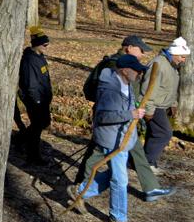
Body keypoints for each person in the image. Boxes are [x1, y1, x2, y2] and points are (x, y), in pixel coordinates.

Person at [75, 36, 175, 201]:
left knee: (135, 150)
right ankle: (81, 188)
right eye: (140, 50)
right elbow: (105, 94)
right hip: (111, 119)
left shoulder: (127, 64)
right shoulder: (115, 65)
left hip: (127, 117)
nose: (142, 54)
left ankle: (151, 188)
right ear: (129, 47)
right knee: (97, 153)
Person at [67, 54, 147, 222]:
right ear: (125, 70)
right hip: (112, 139)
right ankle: (118, 218)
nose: (139, 73)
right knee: (120, 179)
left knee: (115, 174)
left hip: (123, 138)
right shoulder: (110, 89)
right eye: (136, 70)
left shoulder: (127, 85)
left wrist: (137, 112)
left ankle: (79, 191)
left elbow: (128, 108)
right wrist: (130, 115)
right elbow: (102, 117)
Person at [142, 36, 190, 174]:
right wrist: (149, 110)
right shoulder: (158, 64)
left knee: (154, 133)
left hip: (163, 106)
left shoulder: (172, 66)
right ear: (174, 53)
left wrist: (173, 103)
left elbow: (170, 87)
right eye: (182, 56)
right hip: (154, 106)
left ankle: (144, 162)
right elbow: (148, 88)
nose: (183, 60)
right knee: (164, 133)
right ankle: (148, 163)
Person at [17, 26, 53, 165]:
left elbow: (44, 78)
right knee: (37, 127)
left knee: (42, 123)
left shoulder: (40, 56)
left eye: (47, 44)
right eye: (44, 44)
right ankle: (33, 156)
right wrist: (37, 101)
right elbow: (30, 84)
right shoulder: (29, 60)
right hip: (34, 99)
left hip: (43, 98)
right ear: (36, 44)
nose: (46, 46)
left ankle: (19, 140)